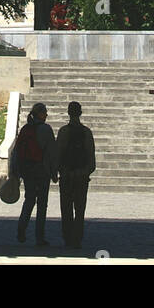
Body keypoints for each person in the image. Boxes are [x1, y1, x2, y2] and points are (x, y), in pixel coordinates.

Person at [12, 103, 58, 245]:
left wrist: (15, 171)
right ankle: (39, 236)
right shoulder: (46, 129)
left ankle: (21, 228)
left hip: (27, 170)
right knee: (42, 203)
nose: (47, 115)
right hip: (42, 170)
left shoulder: (25, 129)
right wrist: (54, 172)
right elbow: (51, 153)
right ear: (39, 114)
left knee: (29, 199)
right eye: (45, 112)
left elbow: (16, 151)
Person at [56, 101, 95, 248]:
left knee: (66, 209)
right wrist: (82, 172)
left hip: (66, 176)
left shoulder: (63, 132)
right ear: (80, 112)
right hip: (81, 177)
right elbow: (92, 160)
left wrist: (60, 171)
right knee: (79, 210)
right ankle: (77, 238)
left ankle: (67, 238)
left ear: (68, 112)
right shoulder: (87, 133)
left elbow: (57, 154)